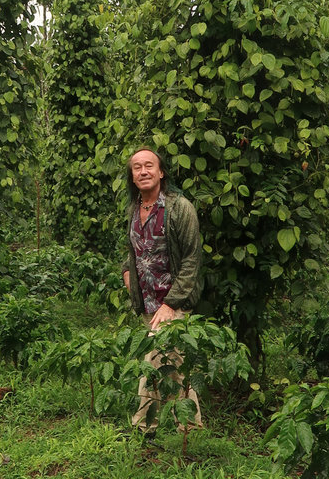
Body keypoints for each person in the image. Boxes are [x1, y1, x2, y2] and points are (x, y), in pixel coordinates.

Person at [122, 147, 203, 439]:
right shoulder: (134, 209)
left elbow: (192, 259)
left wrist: (171, 304)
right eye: (137, 167)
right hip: (148, 303)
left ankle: (143, 427)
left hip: (173, 303)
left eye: (149, 166)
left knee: (152, 362)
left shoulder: (179, 208)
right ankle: (191, 428)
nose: (143, 171)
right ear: (132, 176)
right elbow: (133, 249)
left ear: (161, 172)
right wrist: (127, 273)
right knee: (175, 366)